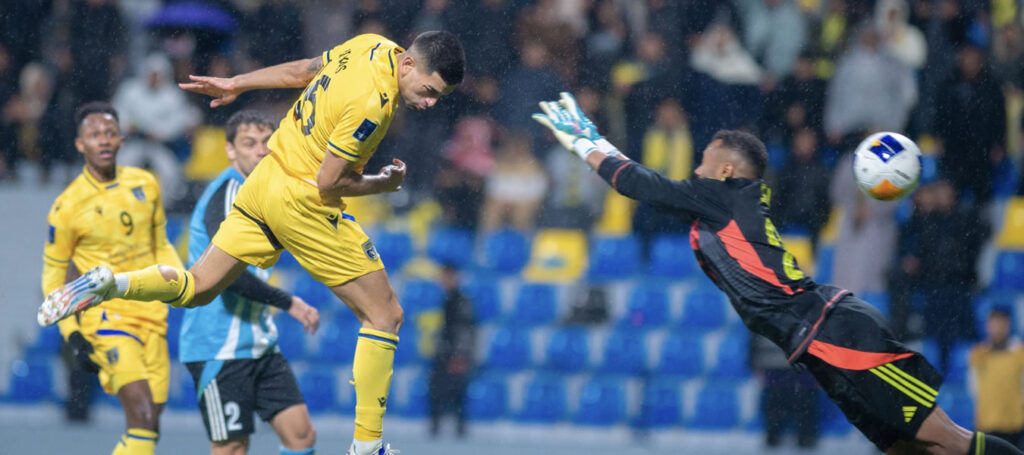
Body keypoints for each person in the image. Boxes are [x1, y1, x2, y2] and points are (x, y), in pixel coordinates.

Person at [40, 31, 465, 455]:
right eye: (429, 91)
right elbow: (329, 181)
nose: (429, 103)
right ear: (408, 65)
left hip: (265, 180)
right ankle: (367, 447)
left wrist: (237, 82)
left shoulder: (369, 44)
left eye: (438, 98)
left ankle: (111, 283)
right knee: (385, 314)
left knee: (196, 287)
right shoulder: (375, 104)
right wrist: (382, 184)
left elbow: (304, 70)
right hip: (302, 201)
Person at [532, 92, 1024, 455]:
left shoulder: (722, 196)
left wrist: (587, 142)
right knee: (907, 449)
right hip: (815, 342)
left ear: (726, 171)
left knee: (951, 440)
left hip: (834, 330)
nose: (695, 169)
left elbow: (641, 183)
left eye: (704, 161)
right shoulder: (728, 201)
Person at [41, 102, 181, 455]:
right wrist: (71, 334)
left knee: (148, 428)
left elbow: (161, 244)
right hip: (106, 319)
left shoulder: (147, 184)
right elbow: (54, 276)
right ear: (79, 144)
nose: (103, 141)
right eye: (94, 135)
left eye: (109, 133)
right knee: (143, 415)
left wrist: (180, 284)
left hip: (153, 316)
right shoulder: (67, 206)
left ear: (120, 139)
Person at [180, 110, 321, 455]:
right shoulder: (229, 192)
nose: (260, 150)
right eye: (248, 143)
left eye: (266, 142)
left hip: (259, 343)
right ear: (230, 150)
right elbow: (225, 275)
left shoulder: (264, 191)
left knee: (301, 435)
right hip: (217, 346)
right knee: (232, 448)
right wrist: (289, 302)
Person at [428, 264, 476, 438]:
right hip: (442, 352)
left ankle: (459, 428)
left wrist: (461, 355)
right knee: (436, 390)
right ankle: (435, 427)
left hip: (454, 354)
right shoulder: (444, 299)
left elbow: (467, 329)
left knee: (457, 393)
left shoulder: (462, 301)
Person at [968, 306, 1024, 448]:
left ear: (1008, 325)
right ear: (987, 326)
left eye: (1001, 325)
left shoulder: (1020, 355)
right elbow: (973, 389)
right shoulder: (978, 355)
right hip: (986, 427)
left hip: (1015, 427)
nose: (998, 329)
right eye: (994, 324)